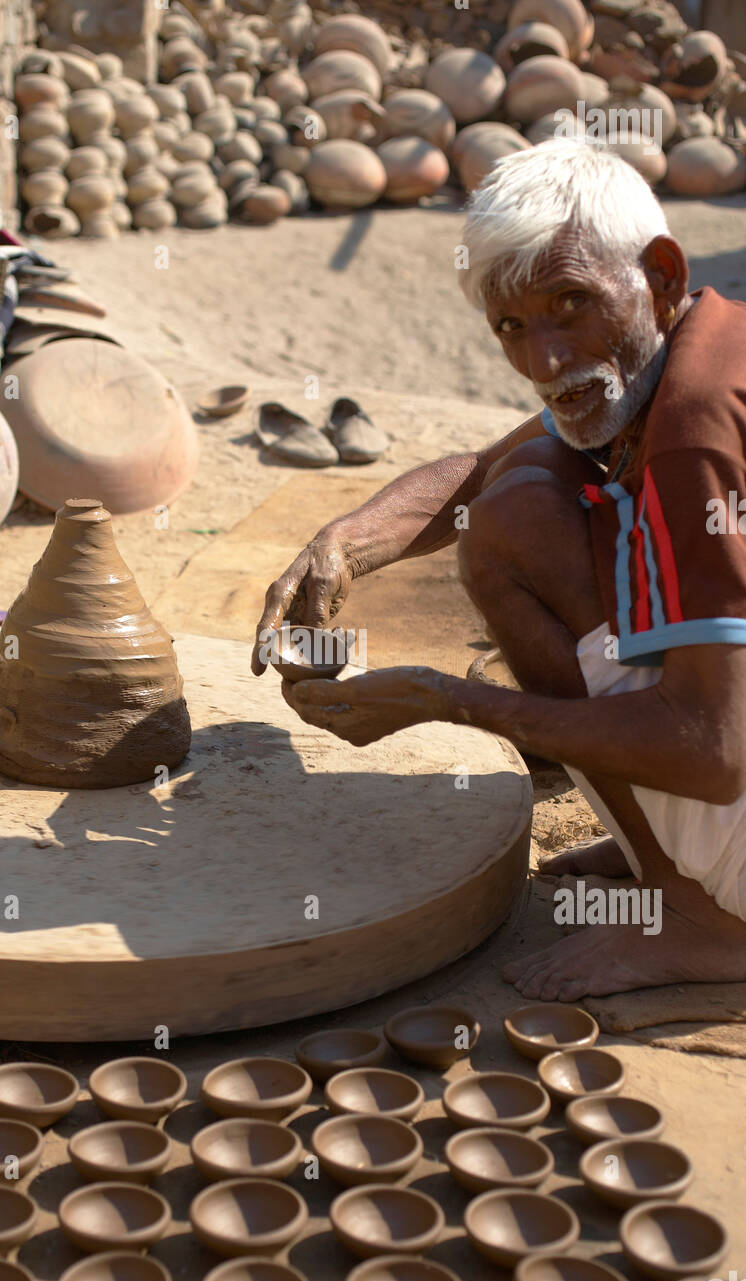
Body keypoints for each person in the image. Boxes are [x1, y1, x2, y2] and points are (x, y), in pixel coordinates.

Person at [250, 139, 746, 1001]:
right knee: (524, 488)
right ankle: (660, 852)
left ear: (661, 275)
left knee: (514, 528)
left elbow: (716, 753)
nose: (545, 363)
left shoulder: (694, 430)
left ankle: (707, 915)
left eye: (571, 304)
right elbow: (477, 472)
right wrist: (345, 541)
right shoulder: (700, 344)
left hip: (726, 752)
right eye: (513, 327)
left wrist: (454, 704)